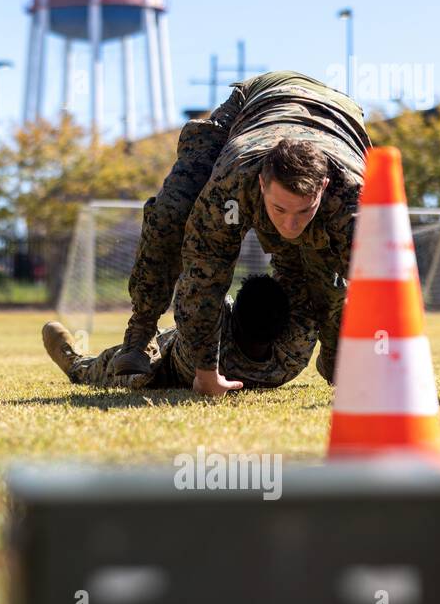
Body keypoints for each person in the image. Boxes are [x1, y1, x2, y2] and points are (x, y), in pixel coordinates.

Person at [110, 71, 370, 395]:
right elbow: (205, 272)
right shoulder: (234, 181)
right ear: (262, 185)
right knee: (170, 214)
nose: (290, 225)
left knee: (329, 272)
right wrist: (206, 370)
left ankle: (335, 351)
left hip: (337, 116)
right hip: (251, 106)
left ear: (325, 188)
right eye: (279, 210)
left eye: (303, 210)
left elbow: (378, 287)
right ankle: (140, 332)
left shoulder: (352, 201)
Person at [43, 274, 318, 391]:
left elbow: (199, 287)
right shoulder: (291, 359)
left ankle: (74, 362)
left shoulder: (205, 333)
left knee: (101, 367)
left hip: (165, 364)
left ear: (233, 316)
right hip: (189, 349)